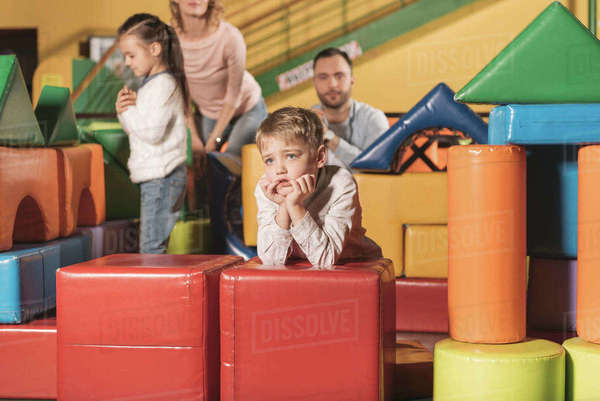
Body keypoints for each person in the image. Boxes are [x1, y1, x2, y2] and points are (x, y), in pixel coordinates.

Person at [255, 107, 382, 268]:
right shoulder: (266, 188)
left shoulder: (340, 184)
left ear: (320, 157)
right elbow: (271, 260)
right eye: (269, 160)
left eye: (291, 156)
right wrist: (283, 207)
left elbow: (326, 260)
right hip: (302, 270)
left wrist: (295, 206)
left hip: (355, 264)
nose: (279, 169)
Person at [115, 13, 188, 254]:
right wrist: (134, 107)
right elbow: (145, 125)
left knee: (151, 248)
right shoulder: (154, 84)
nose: (127, 62)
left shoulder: (162, 84)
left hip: (162, 178)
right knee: (152, 246)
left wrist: (126, 111)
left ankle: (154, 293)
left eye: (131, 55)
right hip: (160, 178)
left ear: (155, 48)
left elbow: (150, 132)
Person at [170, 0, 268, 159]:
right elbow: (181, 95)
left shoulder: (230, 37)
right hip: (210, 113)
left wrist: (214, 140)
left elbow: (234, 95)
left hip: (246, 107)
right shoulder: (171, 40)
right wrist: (194, 139)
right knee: (205, 162)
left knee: (231, 159)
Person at [311, 47, 389, 169]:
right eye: (323, 77)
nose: (332, 84)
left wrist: (328, 137)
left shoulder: (373, 118)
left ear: (352, 79)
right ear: (314, 82)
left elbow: (377, 166)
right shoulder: (304, 121)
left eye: (339, 76)